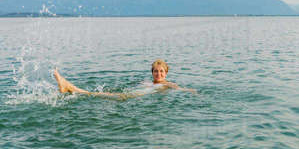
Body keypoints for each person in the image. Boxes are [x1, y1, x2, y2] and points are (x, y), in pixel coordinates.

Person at [53, 59, 196, 100]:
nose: (158, 74)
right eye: (156, 71)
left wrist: (191, 91)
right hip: (132, 95)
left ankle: (72, 89)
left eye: (161, 72)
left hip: (131, 97)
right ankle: (71, 89)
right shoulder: (147, 82)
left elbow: (179, 89)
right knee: (108, 95)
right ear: (152, 73)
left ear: (166, 73)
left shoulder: (168, 84)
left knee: (108, 96)